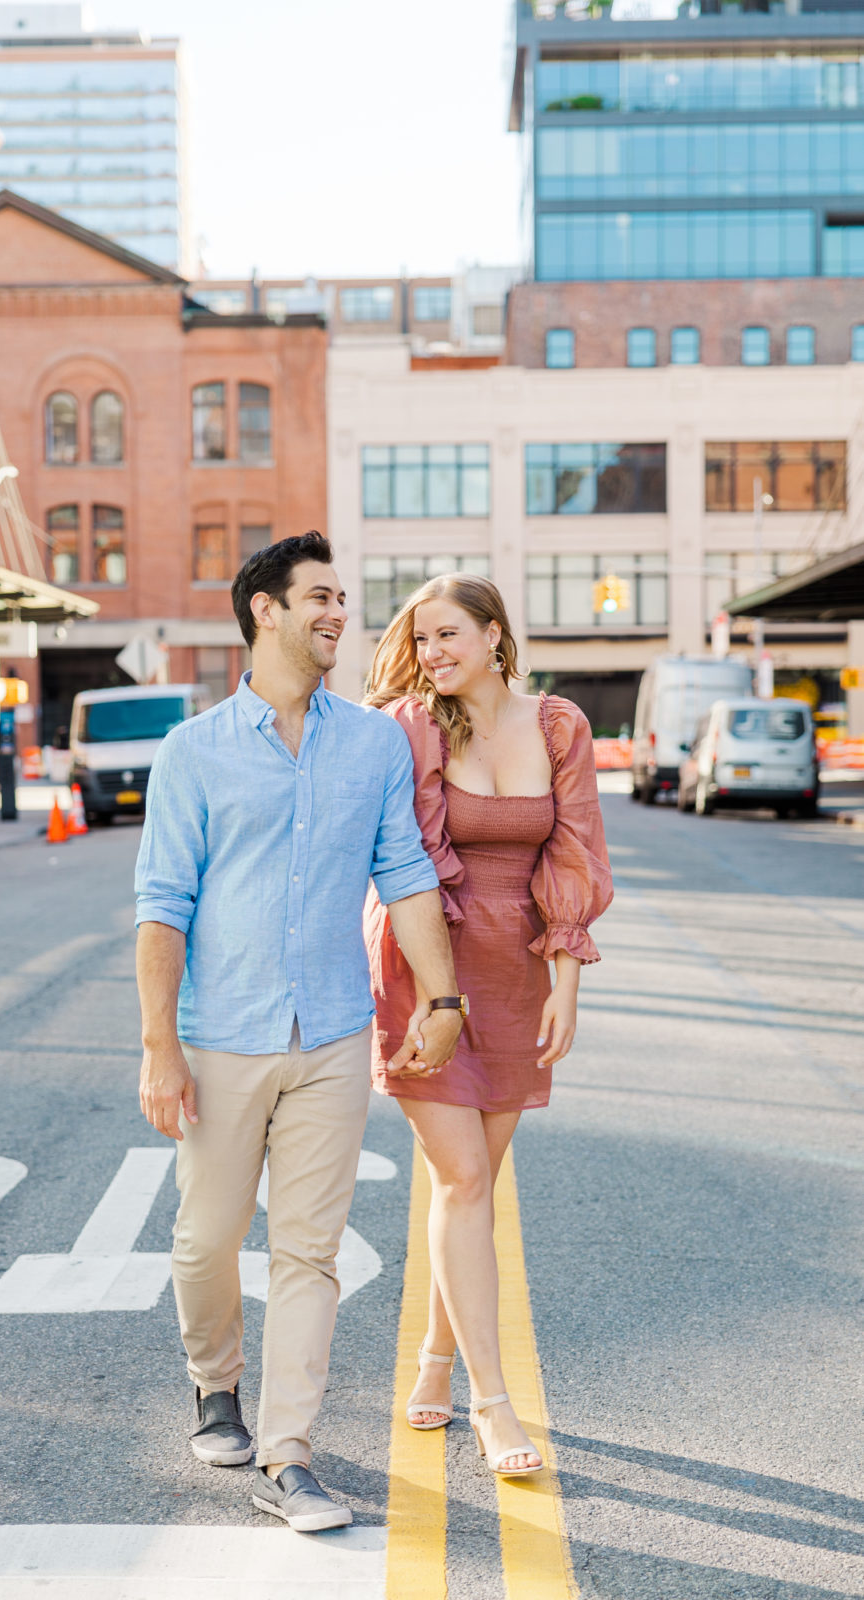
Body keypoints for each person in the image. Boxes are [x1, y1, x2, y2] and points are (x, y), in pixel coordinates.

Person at [134, 532, 466, 1533]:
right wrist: (158, 1045)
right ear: (264, 611)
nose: (337, 614)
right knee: (204, 1242)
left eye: (341, 598)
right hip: (221, 1036)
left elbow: (405, 873)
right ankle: (212, 1381)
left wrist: (440, 999)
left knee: (309, 1253)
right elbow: (162, 907)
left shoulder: (369, 743)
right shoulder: (192, 751)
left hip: (329, 1032)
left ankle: (288, 1456)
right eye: (319, 597)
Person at [363, 574, 612, 1477]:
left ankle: (434, 1355)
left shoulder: (559, 727)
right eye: (420, 639)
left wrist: (565, 983)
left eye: (447, 634)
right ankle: (492, 1404)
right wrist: (438, 996)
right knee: (463, 1178)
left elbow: (573, 851)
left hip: (518, 967)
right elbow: (406, 864)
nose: (430, 654)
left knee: (472, 1187)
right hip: (428, 963)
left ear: (496, 634)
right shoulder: (413, 728)